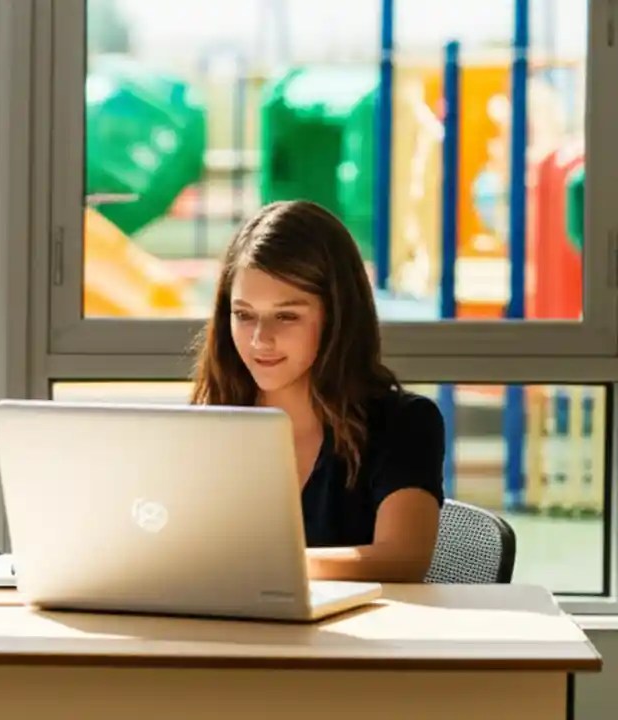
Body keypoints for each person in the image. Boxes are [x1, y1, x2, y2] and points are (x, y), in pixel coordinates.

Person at [189, 200, 445, 583]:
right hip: (227, 637)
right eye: (243, 315)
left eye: (287, 316)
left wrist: (269, 568)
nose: (261, 339)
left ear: (337, 316)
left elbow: (403, 558)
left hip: (356, 641)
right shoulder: (213, 421)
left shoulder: (403, 423)